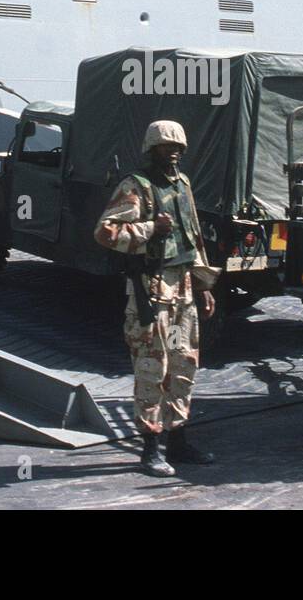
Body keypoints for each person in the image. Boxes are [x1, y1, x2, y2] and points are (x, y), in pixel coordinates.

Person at [94, 119, 218, 477]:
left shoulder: (182, 184)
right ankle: (150, 449)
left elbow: (192, 237)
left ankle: (178, 442)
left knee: (183, 365)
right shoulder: (136, 187)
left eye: (179, 146)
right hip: (151, 291)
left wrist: (204, 284)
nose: (175, 152)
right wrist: (149, 229)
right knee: (152, 368)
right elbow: (105, 232)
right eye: (167, 146)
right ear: (152, 149)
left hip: (183, 292)